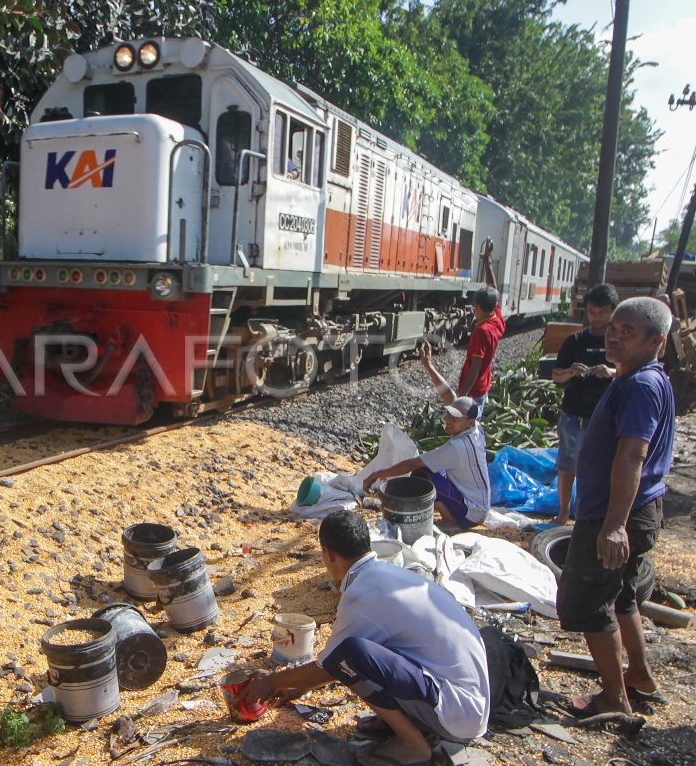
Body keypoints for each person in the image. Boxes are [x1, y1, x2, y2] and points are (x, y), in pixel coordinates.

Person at [238, 510, 489, 766]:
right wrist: (301, 685)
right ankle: (405, 721)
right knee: (361, 653)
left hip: (456, 713)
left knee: (352, 654)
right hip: (468, 702)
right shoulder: (386, 574)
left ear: (328, 554)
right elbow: (336, 664)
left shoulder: (362, 592)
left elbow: (336, 663)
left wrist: (272, 681)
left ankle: (412, 744)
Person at [557, 296, 675, 719]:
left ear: (656, 341)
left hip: (616, 512)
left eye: (628, 332)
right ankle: (639, 676)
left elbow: (632, 456)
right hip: (631, 509)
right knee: (622, 596)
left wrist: (613, 525)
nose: (614, 336)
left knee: (587, 601)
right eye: (613, 328)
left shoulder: (641, 386)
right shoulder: (639, 378)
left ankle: (613, 699)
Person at [361, 396, 490, 529]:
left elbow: (411, 465)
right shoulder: (476, 429)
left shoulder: (458, 447)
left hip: (470, 514)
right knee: (427, 469)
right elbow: (449, 397)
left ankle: (452, 523)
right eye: (449, 414)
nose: (448, 420)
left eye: (455, 418)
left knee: (423, 475)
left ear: (469, 422)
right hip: (477, 505)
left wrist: (376, 474)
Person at [551, 283, 620, 524]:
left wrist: (611, 372)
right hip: (572, 415)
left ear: (613, 311)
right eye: (592, 312)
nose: (597, 317)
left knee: (595, 470)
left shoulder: (619, 342)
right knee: (566, 465)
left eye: (602, 312)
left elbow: (631, 373)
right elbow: (556, 375)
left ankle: (588, 516)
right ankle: (563, 512)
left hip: (603, 418)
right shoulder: (575, 341)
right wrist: (570, 371)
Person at [420, 242, 503, 418]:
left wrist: (461, 397)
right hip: (483, 388)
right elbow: (493, 289)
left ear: (477, 307)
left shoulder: (482, 332)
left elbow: (475, 367)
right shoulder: (497, 320)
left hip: (474, 393)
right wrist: (487, 263)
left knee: (467, 426)